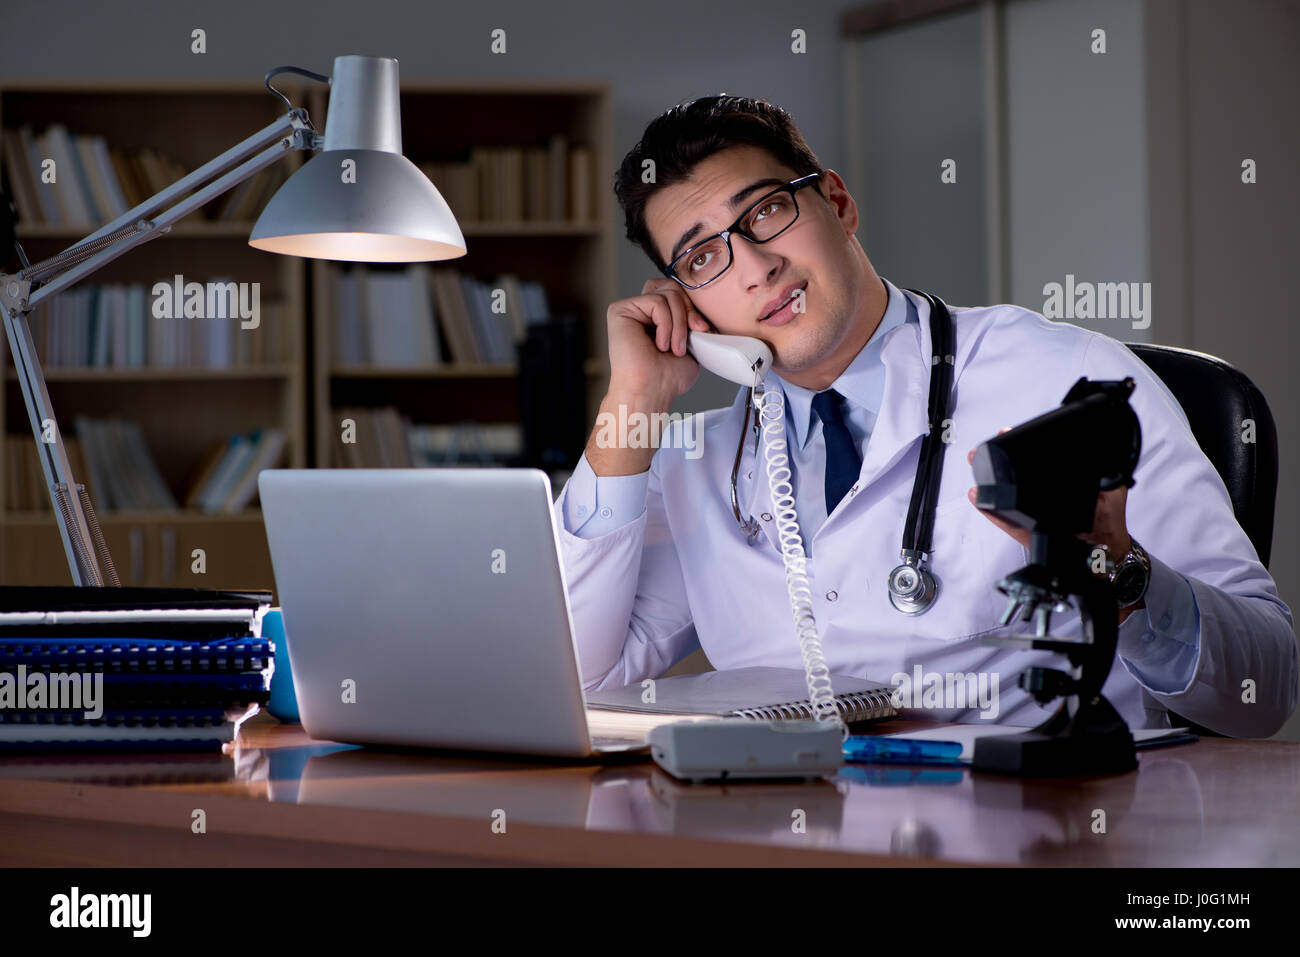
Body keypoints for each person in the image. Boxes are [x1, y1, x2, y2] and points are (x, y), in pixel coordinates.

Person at [553, 94, 1297, 736]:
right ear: (686, 302)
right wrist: (633, 405)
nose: (754, 267)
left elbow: (1265, 686)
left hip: (1052, 833)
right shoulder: (700, 462)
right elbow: (573, 677)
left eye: (766, 212)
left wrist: (1116, 569)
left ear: (838, 204)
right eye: (702, 259)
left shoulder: (1068, 380)